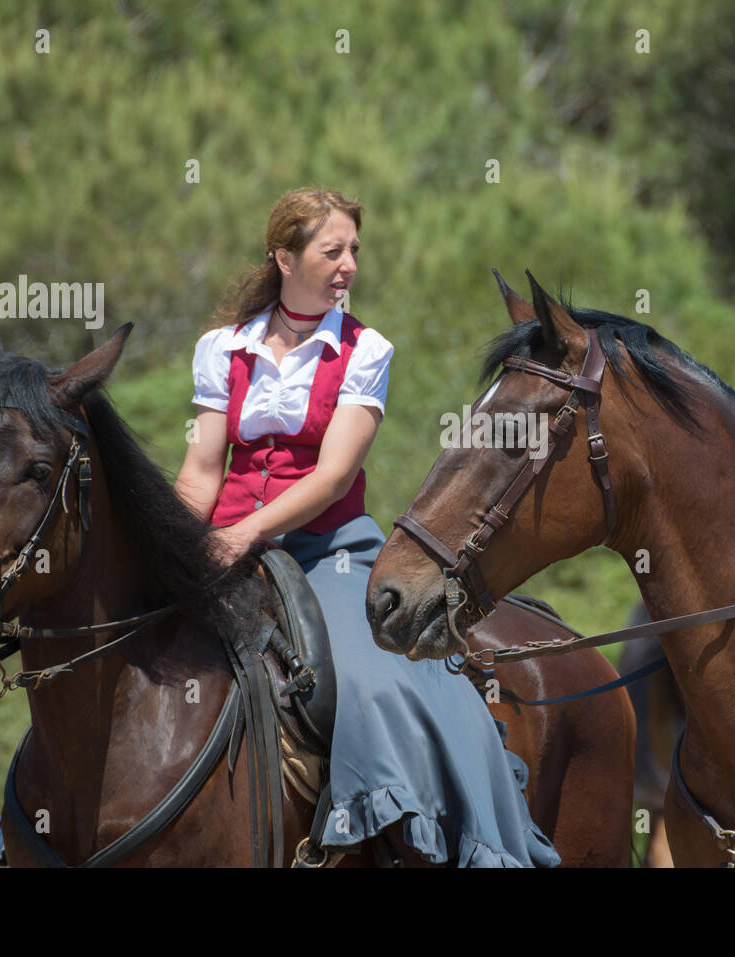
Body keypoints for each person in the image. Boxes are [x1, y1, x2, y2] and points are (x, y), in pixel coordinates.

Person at [173, 186, 558, 867]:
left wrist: (243, 533)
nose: (349, 263)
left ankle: (409, 840)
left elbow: (330, 475)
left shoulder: (365, 349)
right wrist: (175, 543)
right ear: (284, 258)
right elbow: (203, 469)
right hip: (223, 549)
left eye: (355, 249)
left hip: (330, 553)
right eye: (332, 250)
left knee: (380, 683)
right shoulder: (221, 347)